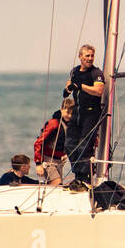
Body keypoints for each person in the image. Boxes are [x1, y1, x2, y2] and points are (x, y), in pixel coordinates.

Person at [63, 44, 105, 186]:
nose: (90, 58)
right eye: (87, 56)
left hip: (91, 113)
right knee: (69, 145)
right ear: (80, 57)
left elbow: (98, 91)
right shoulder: (74, 71)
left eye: (92, 56)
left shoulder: (96, 73)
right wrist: (68, 89)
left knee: (84, 146)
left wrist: (80, 86)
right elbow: (70, 83)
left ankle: (85, 178)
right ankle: (78, 174)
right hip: (77, 112)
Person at [33, 98, 74, 185]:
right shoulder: (54, 124)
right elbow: (38, 143)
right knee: (57, 183)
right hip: (48, 160)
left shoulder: (70, 125)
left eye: (72, 114)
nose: (69, 116)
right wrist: (38, 164)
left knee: (58, 185)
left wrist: (66, 154)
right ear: (61, 109)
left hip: (59, 161)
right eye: (67, 113)